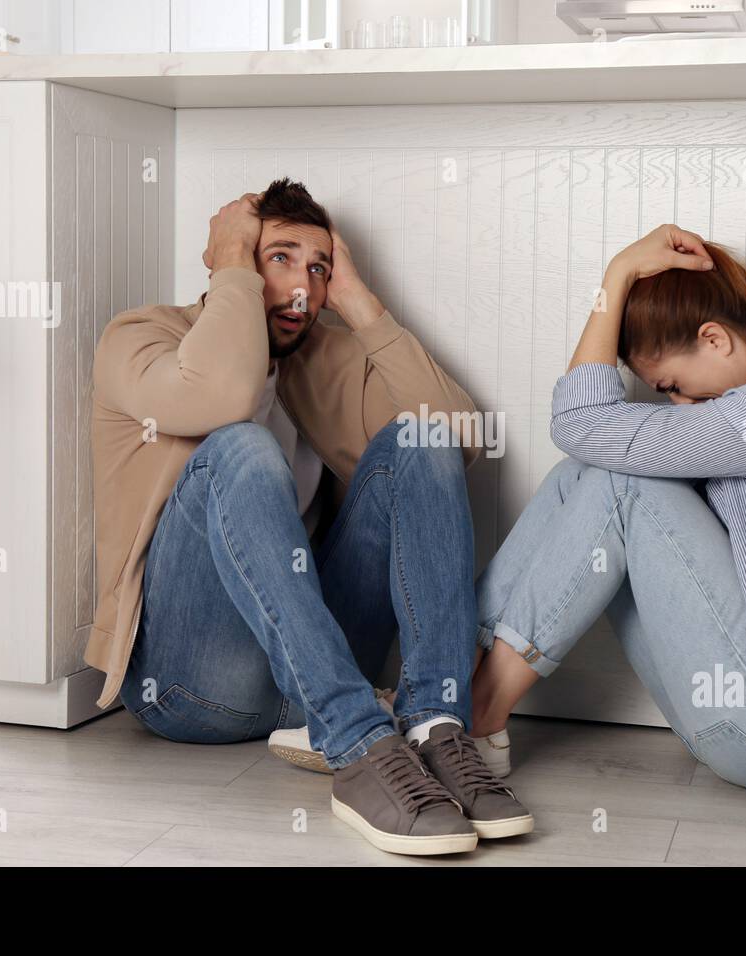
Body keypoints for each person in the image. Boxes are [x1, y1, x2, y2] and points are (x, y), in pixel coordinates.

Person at [88, 178, 532, 855]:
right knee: (239, 444)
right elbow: (226, 396)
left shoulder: (318, 360)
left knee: (421, 438)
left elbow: (461, 436)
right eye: (279, 258)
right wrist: (233, 262)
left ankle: (437, 727)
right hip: (189, 682)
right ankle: (358, 745)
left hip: (312, 672)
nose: (302, 288)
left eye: (318, 269)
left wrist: (359, 302)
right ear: (232, 259)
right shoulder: (140, 337)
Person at [470, 225, 746, 823]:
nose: (679, 407)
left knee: (621, 476)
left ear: (715, 339)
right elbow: (587, 441)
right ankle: (447, 683)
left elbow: (580, 419)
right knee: (582, 472)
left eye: (674, 388)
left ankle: (473, 712)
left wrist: (618, 273)